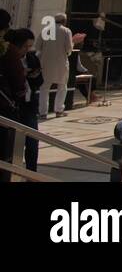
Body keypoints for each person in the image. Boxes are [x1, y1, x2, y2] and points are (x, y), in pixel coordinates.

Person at [1, 28, 39, 175]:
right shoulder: (8, 56)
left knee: (32, 141)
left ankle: (32, 173)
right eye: (25, 46)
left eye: (30, 47)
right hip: (14, 105)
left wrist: (33, 75)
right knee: (12, 142)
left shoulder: (32, 58)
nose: (27, 50)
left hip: (29, 105)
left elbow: (39, 79)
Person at [37, 12, 73, 119]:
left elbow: (38, 46)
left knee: (44, 88)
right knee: (62, 87)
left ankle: (43, 112)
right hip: (61, 63)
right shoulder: (66, 31)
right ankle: (59, 110)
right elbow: (69, 49)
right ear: (64, 21)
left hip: (46, 63)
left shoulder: (45, 30)